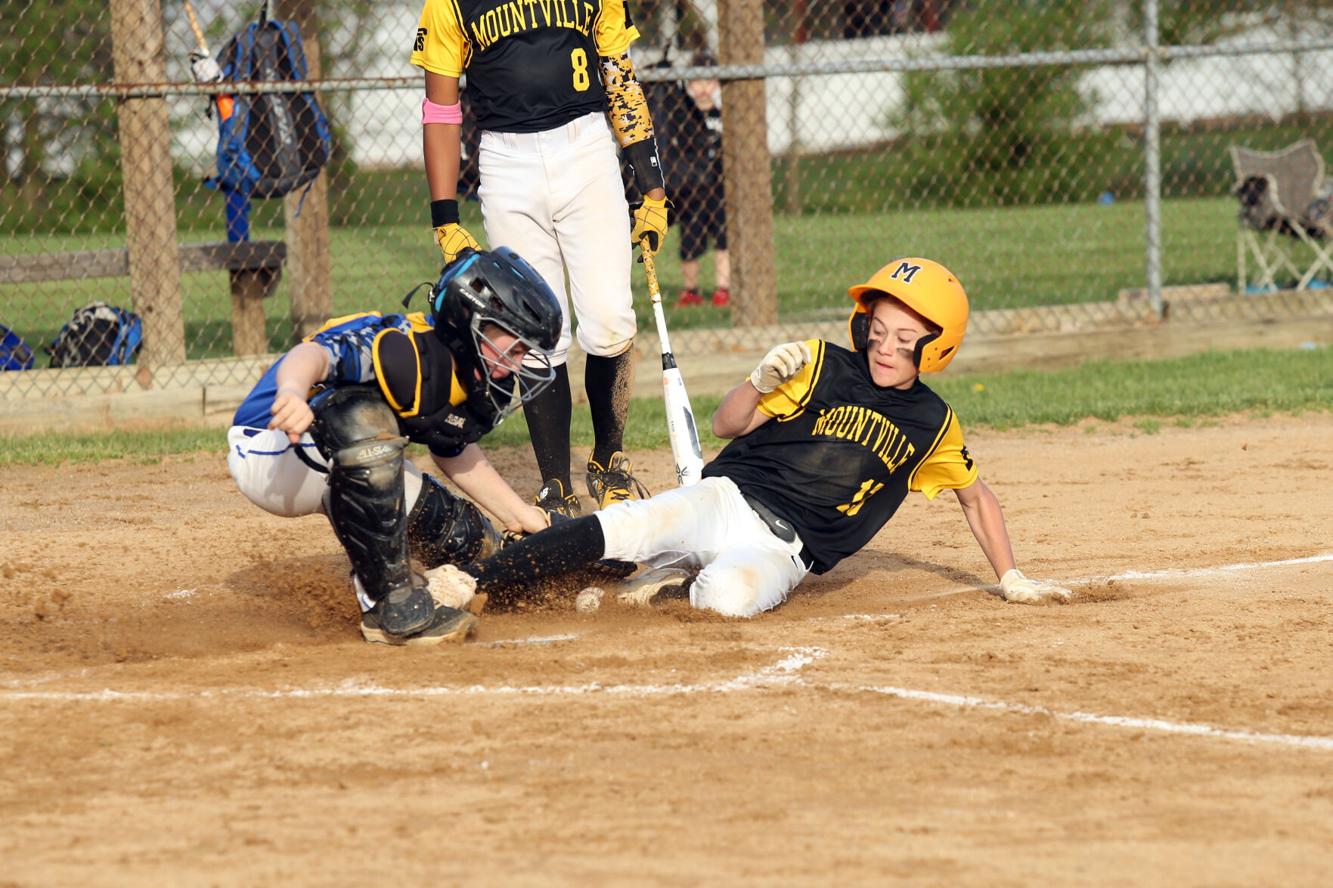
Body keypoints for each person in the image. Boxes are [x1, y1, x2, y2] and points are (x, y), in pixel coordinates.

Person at [464, 257, 1073, 616]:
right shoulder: (820, 363)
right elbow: (729, 424)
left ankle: (664, 583)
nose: (886, 346)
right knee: (631, 526)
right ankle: (480, 582)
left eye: (905, 337)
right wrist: (757, 382)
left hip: (786, 553)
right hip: (726, 496)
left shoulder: (932, 424)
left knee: (728, 600)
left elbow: (976, 496)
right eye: (878, 329)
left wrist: (1010, 575)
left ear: (938, 345)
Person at [410, 0, 669, 521]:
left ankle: (609, 460)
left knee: (611, 315)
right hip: (508, 162)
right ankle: (555, 484)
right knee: (533, 327)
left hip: (587, 149)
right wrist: (445, 217)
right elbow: (441, 109)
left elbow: (619, 77)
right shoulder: (450, 4)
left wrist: (651, 183)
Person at [226, 248, 561, 645]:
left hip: (338, 457)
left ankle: (414, 582)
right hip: (274, 446)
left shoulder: (464, 373)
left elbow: (452, 449)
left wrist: (521, 517)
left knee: (468, 540)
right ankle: (389, 606)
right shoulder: (398, 347)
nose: (519, 363)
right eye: (515, 347)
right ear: (473, 321)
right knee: (358, 414)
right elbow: (310, 355)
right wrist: (293, 393)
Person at [670, 50, 729, 308]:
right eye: (696, 82)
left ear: (716, 82)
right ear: (689, 85)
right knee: (690, 239)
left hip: (718, 187)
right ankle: (691, 289)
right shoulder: (683, 117)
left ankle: (722, 288)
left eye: (707, 81)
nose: (702, 87)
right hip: (692, 188)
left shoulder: (721, 115)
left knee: (723, 238)